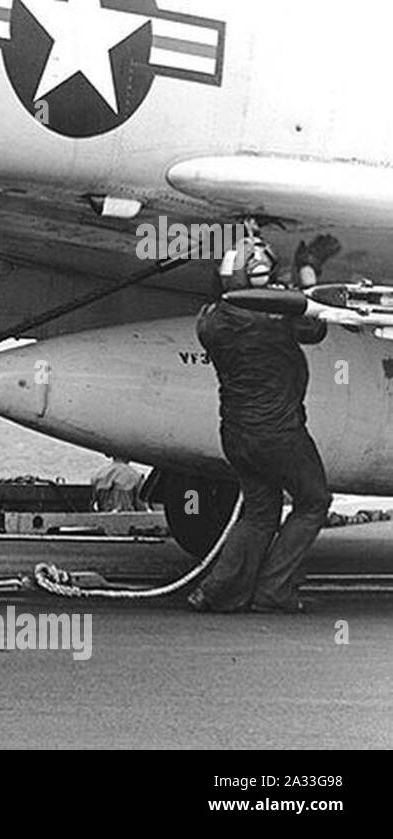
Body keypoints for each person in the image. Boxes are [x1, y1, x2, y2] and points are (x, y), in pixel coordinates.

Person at [187, 233, 340, 614]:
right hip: (280, 434)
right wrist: (308, 272)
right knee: (313, 501)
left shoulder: (210, 322)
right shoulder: (276, 318)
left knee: (259, 512)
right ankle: (274, 592)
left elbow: (231, 297)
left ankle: (218, 592)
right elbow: (316, 326)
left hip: (237, 436)